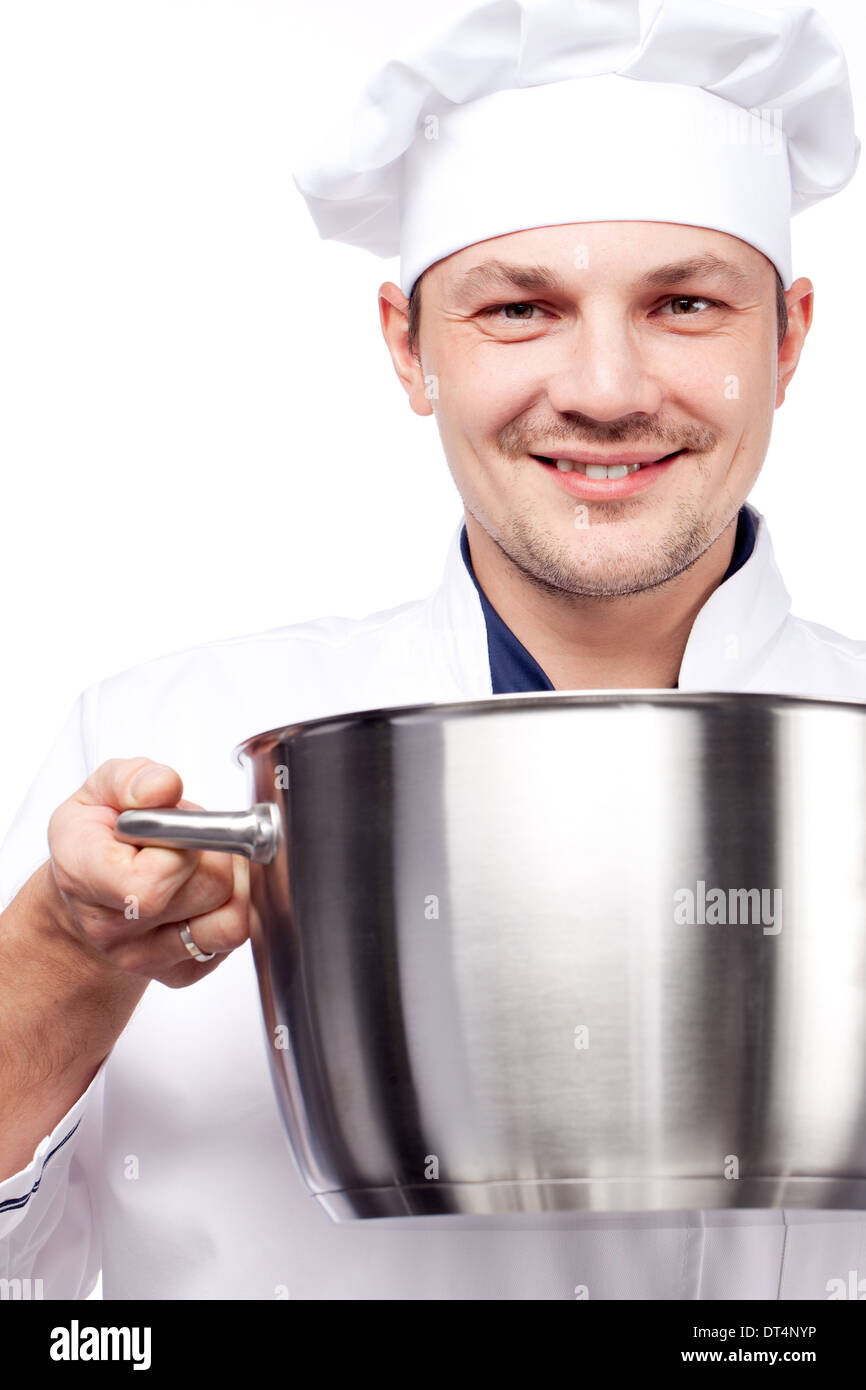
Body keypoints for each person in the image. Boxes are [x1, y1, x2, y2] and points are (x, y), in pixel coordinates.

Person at [1, 0, 864, 1300]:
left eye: (683, 304)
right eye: (519, 311)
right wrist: (63, 953)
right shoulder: (168, 756)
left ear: (786, 338)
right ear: (408, 346)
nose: (607, 388)